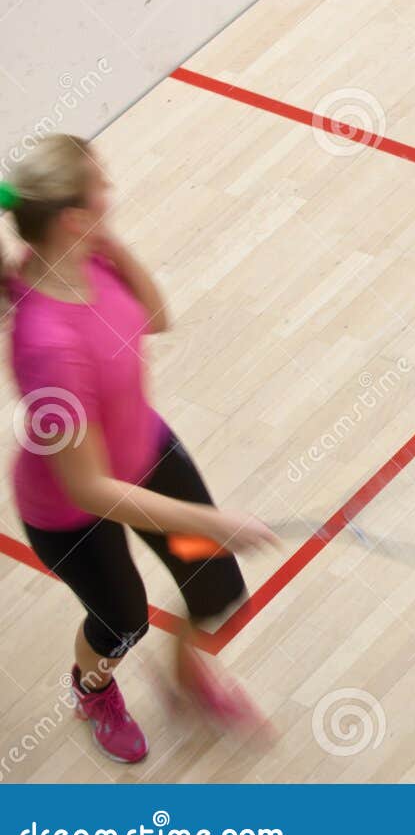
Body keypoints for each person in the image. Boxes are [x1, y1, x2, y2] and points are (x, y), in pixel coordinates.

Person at [3, 134, 277, 764]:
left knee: (214, 588)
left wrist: (101, 241)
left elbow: (156, 317)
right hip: (73, 513)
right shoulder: (49, 346)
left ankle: (185, 675)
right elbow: (89, 488)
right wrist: (211, 521)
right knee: (122, 623)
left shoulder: (87, 259)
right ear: (73, 214)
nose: (112, 195)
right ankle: (91, 688)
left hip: (147, 452)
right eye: (102, 188)